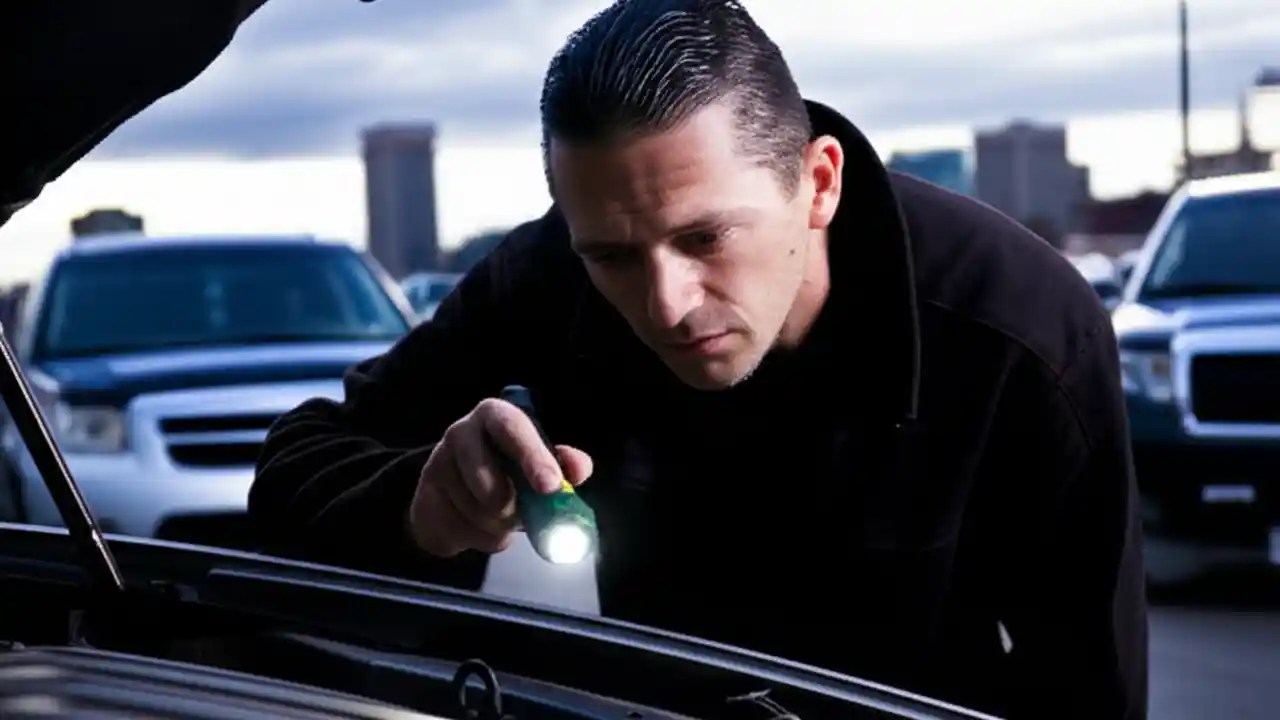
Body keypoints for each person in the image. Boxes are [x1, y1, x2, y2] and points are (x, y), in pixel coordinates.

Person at [248, 1, 1148, 717]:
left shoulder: (1022, 334)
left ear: (819, 184)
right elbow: (291, 477)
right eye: (612, 255)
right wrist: (422, 509)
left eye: (706, 236)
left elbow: (1088, 684)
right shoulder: (546, 277)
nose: (665, 303)